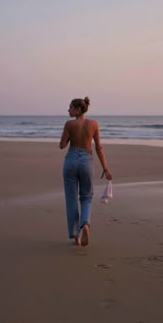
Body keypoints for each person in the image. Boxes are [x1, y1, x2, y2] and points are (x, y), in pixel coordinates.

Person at [59, 96, 113, 246]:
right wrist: (106, 169)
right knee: (86, 197)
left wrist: (69, 135)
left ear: (77, 109)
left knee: (71, 199)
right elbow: (99, 147)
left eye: (70, 107)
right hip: (87, 161)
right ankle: (86, 225)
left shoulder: (69, 124)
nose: (68, 110)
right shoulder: (94, 124)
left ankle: (76, 235)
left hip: (71, 161)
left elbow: (62, 145)